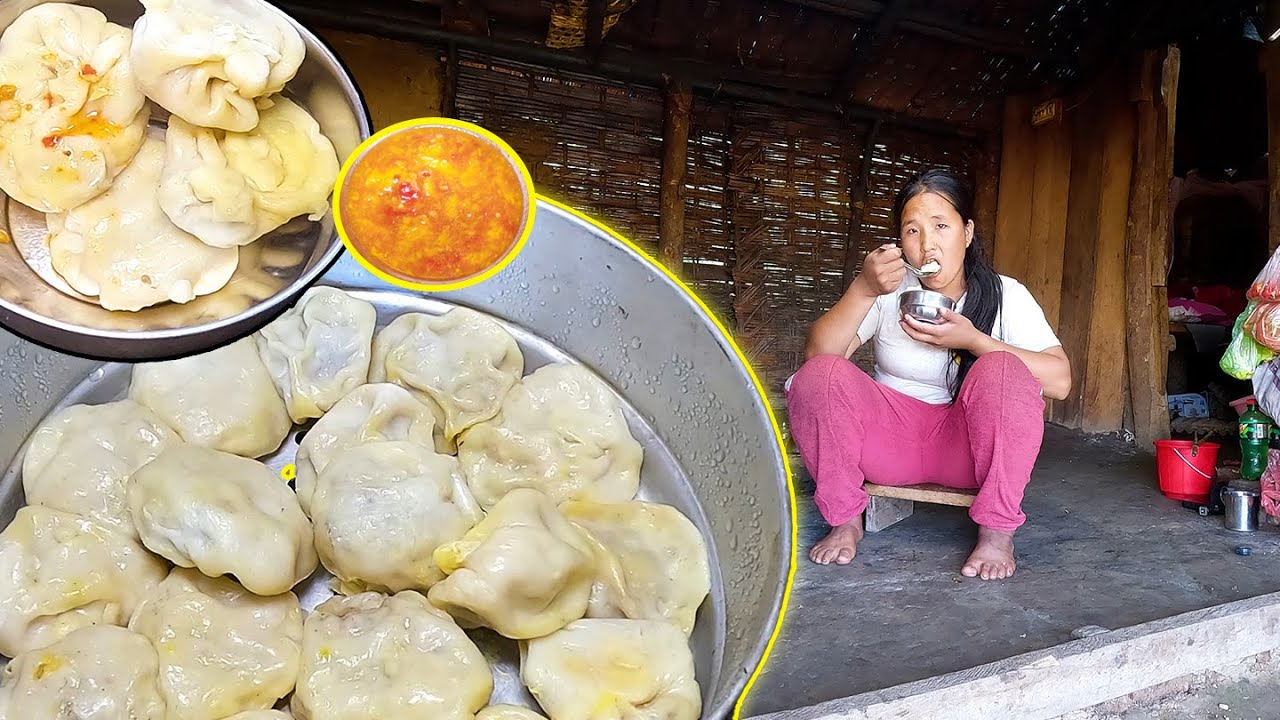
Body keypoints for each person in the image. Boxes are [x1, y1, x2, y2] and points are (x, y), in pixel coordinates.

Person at [784, 168, 1072, 581]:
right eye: (912, 230)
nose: (926, 244)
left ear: (967, 232)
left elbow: (1060, 381)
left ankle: (996, 532)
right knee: (821, 375)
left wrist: (974, 340)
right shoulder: (886, 291)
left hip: (966, 453)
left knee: (1003, 369)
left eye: (940, 226)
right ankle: (845, 520)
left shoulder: (1006, 294)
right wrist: (863, 289)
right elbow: (818, 360)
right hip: (888, 447)